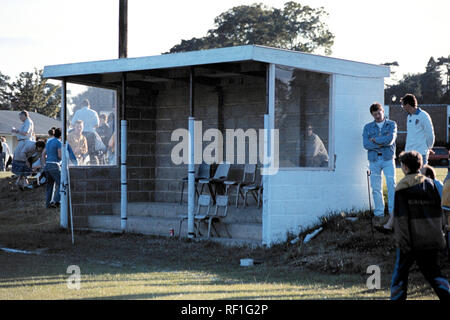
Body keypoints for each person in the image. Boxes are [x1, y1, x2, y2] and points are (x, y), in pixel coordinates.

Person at [390, 151, 449, 301]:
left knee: (400, 277)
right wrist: (440, 235)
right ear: (420, 165)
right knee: (435, 274)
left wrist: (402, 242)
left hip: (410, 240)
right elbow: (438, 213)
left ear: (404, 167)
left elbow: (401, 218)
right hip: (431, 239)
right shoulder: (431, 184)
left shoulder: (402, 186)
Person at [363, 103, 397, 230]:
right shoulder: (367, 127)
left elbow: (390, 140)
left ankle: (392, 212)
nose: (377, 116)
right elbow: (366, 144)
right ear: (372, 114)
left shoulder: (392, 124)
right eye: (374, 114)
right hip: (374, 160)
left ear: (383, 111)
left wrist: (375, 140)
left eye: (379, 113)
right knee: (376, 187)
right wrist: (382, 142)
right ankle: (379, 213)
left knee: (391, 184)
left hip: (388, 159)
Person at [401, 94, 435, 165]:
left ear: (407, 105)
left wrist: (429, 147)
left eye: (403, 105)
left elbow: (430, 135)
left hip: (421, 153)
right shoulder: (409, 117)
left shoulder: (424, 116)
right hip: (409, 153)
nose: (402, 107)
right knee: (410, 176)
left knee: (421, 175)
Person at [71, 99, 99, 164]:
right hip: (91, 134)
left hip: (80, 134)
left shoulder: (78, 112)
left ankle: (81, 166)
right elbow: (97, 124)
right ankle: (95, 167)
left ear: (81, 105)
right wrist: (90, 126)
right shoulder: (93, 112)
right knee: (92, 153)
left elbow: (72, 124)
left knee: (80, 152)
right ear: (89, 105)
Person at [42, 128, 62, 208]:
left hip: (47, 165)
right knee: (61, 183)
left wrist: (44, 165)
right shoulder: (59, 142)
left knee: (49, 186)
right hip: (54, 165)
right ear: (61, 135)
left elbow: (43, 154)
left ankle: (47, 204)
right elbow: (60, 155)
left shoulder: (49, 142)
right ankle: (56, 201)